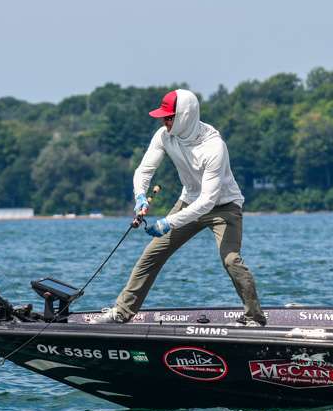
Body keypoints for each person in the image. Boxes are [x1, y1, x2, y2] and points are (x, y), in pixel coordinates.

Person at [92, 89, 267, 326]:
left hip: (224, 207)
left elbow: (207, 201)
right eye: (162, 117)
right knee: (152, 254)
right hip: (188, 202)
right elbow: (144, 171)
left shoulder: (214, 147)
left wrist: (168, 222)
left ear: (185, 116)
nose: (164, 122)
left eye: (169, 117)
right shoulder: (164, 136)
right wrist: (140, 197)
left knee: (231, 260)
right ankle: (121, 313)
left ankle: (254, 317)